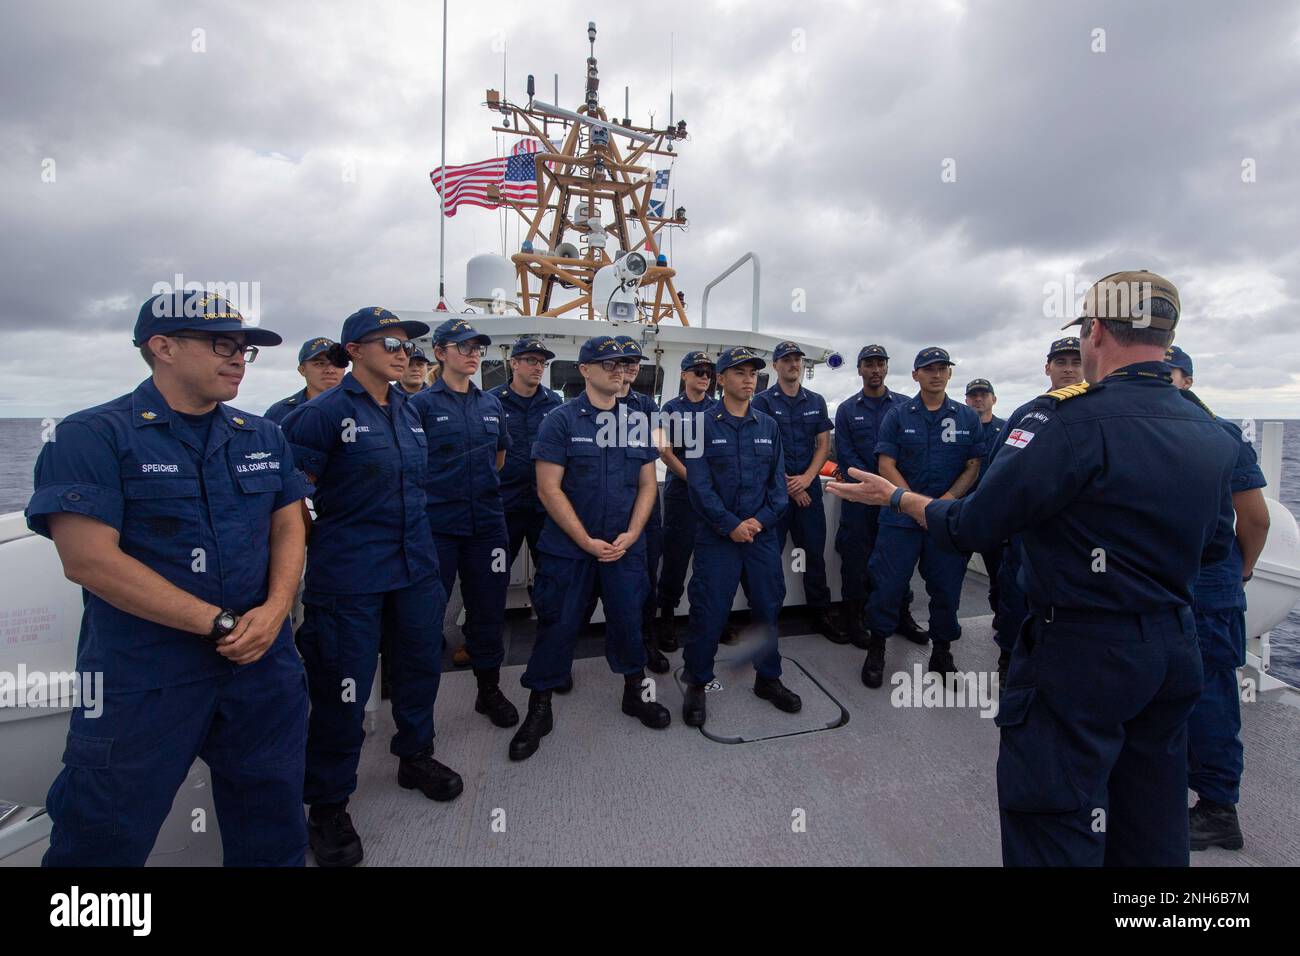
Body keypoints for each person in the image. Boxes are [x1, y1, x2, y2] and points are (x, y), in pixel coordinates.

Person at [830, 270, 1239, 867]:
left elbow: (974, 525)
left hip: (1081, 654)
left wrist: (895, 499)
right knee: (1150, 819)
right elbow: (1214, 550)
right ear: (1168, 339)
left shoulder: (1061, 421)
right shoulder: (1212, 431)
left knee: (1054, 819)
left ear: (1096, 332)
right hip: (1172, 650)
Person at [26, 290, 312, 866]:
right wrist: (221, 623)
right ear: (162, 348)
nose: (237, 359)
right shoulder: (90, 436)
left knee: (273, 820)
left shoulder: (262, 435)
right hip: (143, 675)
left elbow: (288, 523)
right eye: (220, 345)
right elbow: (88, 560)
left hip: (260, 663)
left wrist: (276, 609)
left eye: (243, 350)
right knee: (103, 833)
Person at [280, 306, 459, 868]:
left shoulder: (410, 410)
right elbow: (290, 501)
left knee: (418, 668)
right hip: (350, 577)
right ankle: (328, 803)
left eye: (407, 344)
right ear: (353, 350)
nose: (402, 352)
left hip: (413, 569)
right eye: (389, 343)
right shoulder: (324, 415)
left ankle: (415, 755)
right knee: (343, 687)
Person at [508, 335, 672, 761]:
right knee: (557, 626)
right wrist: (584, 541)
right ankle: (539, 708)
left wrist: (634, 534)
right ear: (584, 370)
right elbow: (548, 488)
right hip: (569, 550)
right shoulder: (559, 421)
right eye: (609, 364)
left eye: (624, 365)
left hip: (623, 547)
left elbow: (646, 483)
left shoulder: (636, 420)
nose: (619, 371)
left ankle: (635, 694)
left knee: (629, 622)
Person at [1166, 345, 1270, 852]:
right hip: (1184, 581)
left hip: (1202, 586)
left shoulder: (1220, 434)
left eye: (1167, 373)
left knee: (1208, 695)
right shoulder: (1200, 432)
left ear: (1186, 379)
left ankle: (1217, 809)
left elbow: (1255, 519)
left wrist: (1239, 571)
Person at [681, 346, 802, 727]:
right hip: (718, 536)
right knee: (709, 610)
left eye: (752, 372)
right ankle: (698, 682)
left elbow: (778, 490)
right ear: (720, 379)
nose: (748, 378)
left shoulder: (768, 426)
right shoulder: (701, 426)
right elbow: (699, 487)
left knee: (767, 606)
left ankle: (768, 678)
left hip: (760, 536)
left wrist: (757, 523)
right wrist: (731, 524)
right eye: (738, 371)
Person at [409, 318, 519, 728]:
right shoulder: (419, 405)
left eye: (478, 349)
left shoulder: (492, 404)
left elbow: (500, 457)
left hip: (488, 524)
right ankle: (419, 708)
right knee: (425, 614)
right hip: (437, 527)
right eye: (463, 347)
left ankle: (488, 691)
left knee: (488, 611)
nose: (473, 354)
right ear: (440, 353)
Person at [859, 347, 984, 688]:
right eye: (928, 369)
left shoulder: (966, 417)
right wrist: (915, 503)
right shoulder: (898, 416)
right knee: (887, 586)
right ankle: (877, 648)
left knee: (946, 589)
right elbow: (886, 465)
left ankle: (941, 652)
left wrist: (940, 505)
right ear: (915, 375)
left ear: (949, 374)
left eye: (943, 368)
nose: (936, 374)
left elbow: (973, 466)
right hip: (900, 518)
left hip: (945, 520)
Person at [988, 336, 1084, 683]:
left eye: (1076, 362)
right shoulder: (1029, 414)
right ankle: (1009, 661)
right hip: (1028, 535)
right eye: (1061, 363)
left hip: (1079, 540)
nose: (1069, 369)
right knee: (1016, 601)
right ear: (1048, 368)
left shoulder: (1103, 412)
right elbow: (1000, 470)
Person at [832, 344, 928, 647]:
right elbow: (845, 456)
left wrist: (894, 490)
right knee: (856, 559)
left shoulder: (903, 406)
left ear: (886, 368)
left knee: (897, 558)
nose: (875, 370)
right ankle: (855, 618)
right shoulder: (847, 410)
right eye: (869, 364)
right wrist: (870, 488)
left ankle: (902, 615)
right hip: (860, 501)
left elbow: (911, 454)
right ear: (860, 369)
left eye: (880, 364)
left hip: (895, 499)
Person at [751, 341, 843, 640]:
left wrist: (806, 478)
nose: (793, 364)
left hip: (809, 493)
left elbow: (823, 445)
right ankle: (767, 620)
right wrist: (792, 485)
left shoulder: (816, 401)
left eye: (797, 360)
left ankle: (821, 614)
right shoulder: (761, 403)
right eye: (786, 360)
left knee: (813, 555)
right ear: (775, 366)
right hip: (774, 496)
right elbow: (760, 450)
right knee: (769, 558)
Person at [492, 336, 565, 673]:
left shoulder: (556, 404)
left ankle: (551, 650)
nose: (538, 367)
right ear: (514, 363)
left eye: (542, 362)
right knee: (490, 579)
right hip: (504, 508)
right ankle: (481, 644)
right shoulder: (492, 403)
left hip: (544, 508)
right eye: (531, 360)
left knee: (551, 578)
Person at [655, 351, 716, 650]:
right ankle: (666, 619)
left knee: (709, 563)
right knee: (676, 562)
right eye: (697, 371)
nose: (704, 376)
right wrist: (696, 480)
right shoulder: (669, 409)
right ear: (684, 375)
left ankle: (704, 620)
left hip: (711, 500)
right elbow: (664, 452)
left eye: (707, 372)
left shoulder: (717, 409)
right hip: (681, 496)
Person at [963, 378, 1006, 619]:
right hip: (965, 509)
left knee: (1000, 572)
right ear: (967, 400)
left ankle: (1001, 616)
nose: (979, 399)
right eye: (974, 395)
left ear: (993, 398)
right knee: (950, 571)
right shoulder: (960, 429)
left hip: (996, 514)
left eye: (984, 394)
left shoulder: (1008, 428)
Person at [264, 337, 344, 424]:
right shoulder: (280, 412)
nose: (330, 370)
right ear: (302, 370)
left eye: (336, 363)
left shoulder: (358, 406)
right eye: (320, 364)